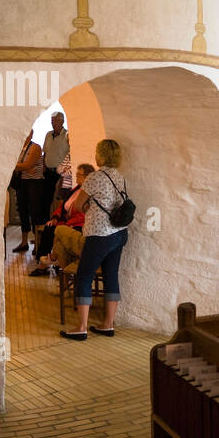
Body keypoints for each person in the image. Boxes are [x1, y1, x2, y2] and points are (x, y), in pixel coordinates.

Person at [59, 139, 129, 340]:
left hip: (99, 234)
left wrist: (89, 207)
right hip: (120, 233)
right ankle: (108, 324)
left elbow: (79, 206)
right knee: (111, 275)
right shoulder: (119, 176)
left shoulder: (94, 178)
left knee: (84, 276)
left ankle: (81, 327)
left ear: (101, 155)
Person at [30, 163, 92, 276]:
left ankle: (50, 262)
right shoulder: (76, 189)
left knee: (56, 232)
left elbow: (83, 214)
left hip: (78, 224)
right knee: (49, 227)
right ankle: (43, 262)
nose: (76, 176)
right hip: (66, 221)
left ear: (87, 177)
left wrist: (68, 224)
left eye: (79, 174)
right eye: (77, 174)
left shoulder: (88, 193)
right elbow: (63, 206)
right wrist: (55, 217)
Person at [12, 131, 47, 254]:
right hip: (22, 182)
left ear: (31, 134)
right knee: (22, 211)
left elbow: (27, 165)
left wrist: (15, 165)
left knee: (35, 212)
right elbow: (24, 166)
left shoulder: (35, 147)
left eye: (27, 133)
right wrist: (22, 166)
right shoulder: (18, 147)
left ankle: (38, 244)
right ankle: (24, 242)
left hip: (35, 183)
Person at [41, 111, 69, 204]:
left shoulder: (67, 135)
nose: (53, 123)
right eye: (52, 121)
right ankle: (45, 218)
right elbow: (45, 152)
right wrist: (43, 167)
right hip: (48, 172)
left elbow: (70, 154)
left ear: (62, 121)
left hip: (60, 174)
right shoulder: (48, 134)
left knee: (59, 200)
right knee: (45, 198)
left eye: (56, 121)